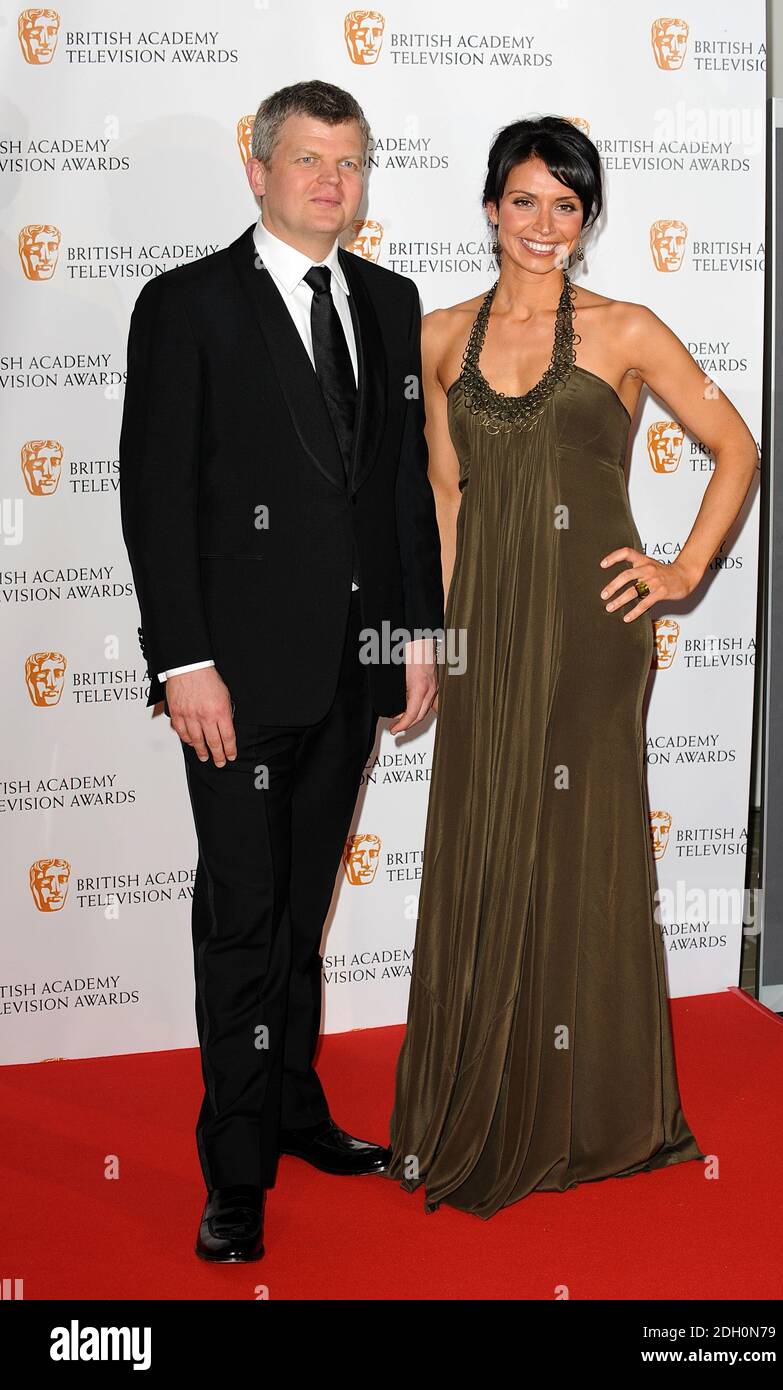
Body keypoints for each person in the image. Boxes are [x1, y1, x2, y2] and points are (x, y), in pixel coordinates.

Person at [384, 116, 759, 1220]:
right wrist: (442, 636)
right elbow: (446, 500)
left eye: (567, 204)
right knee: (485, 832)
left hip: (594, 625)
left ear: (586, 219)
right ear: (490, 205)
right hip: (487, 627)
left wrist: (683, 568)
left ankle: (590, 1105)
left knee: (579, 839)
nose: (545, 224)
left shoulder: (626, 327)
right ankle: (486, 1089)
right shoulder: (439, 334)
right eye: (525, 200)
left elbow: (734, 445)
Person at [119, 80, 443, 1261]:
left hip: (354, 671)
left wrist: (419, 641)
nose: (330, 182)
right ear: (256, 170)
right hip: (235, 685)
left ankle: (297, 1108)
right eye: (307, 160)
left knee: (302, 913)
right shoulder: (187, 305)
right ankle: (237, 1169)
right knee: (245, 921)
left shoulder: (392, 301)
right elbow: (154, 500)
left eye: (349, 163)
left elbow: (402, 490)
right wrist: (182, 662)